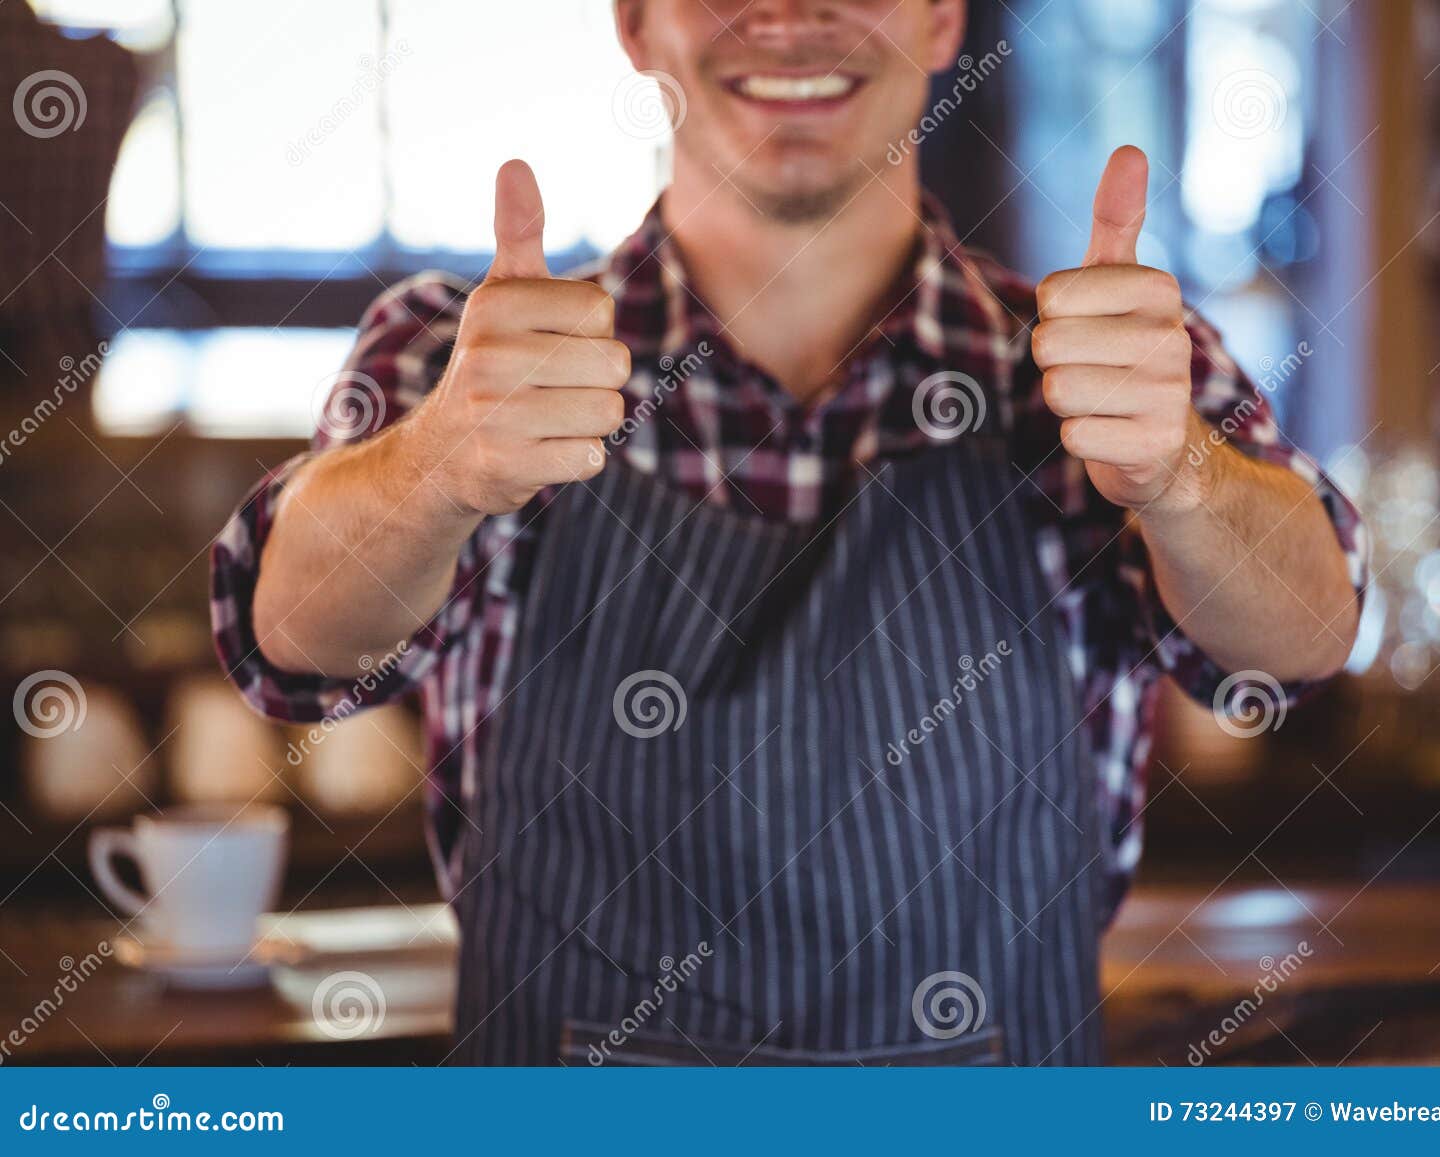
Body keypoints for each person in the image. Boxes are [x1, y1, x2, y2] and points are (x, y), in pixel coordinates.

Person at [212, 0, 1365, 1065]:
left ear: (940, 17)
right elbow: (297, 639)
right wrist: (442, 465)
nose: (790, 18)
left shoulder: (1107, 372)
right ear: (634, 24)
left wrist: (1177, 474)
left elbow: (1300, 642)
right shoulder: (468, 366)